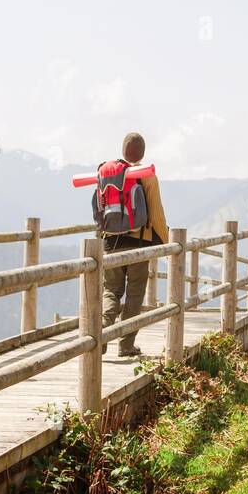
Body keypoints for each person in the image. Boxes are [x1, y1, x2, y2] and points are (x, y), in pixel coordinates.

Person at [97, 132, 169, 356]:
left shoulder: (107, 174)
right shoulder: (146, 175)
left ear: (123, 150)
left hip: (110, 241)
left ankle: (100, 334)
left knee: (111, 291)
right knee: (135, 293)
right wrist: (167, 245)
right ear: (143, 152)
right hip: (138, 242)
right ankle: (126, 345)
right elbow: (156, 214)